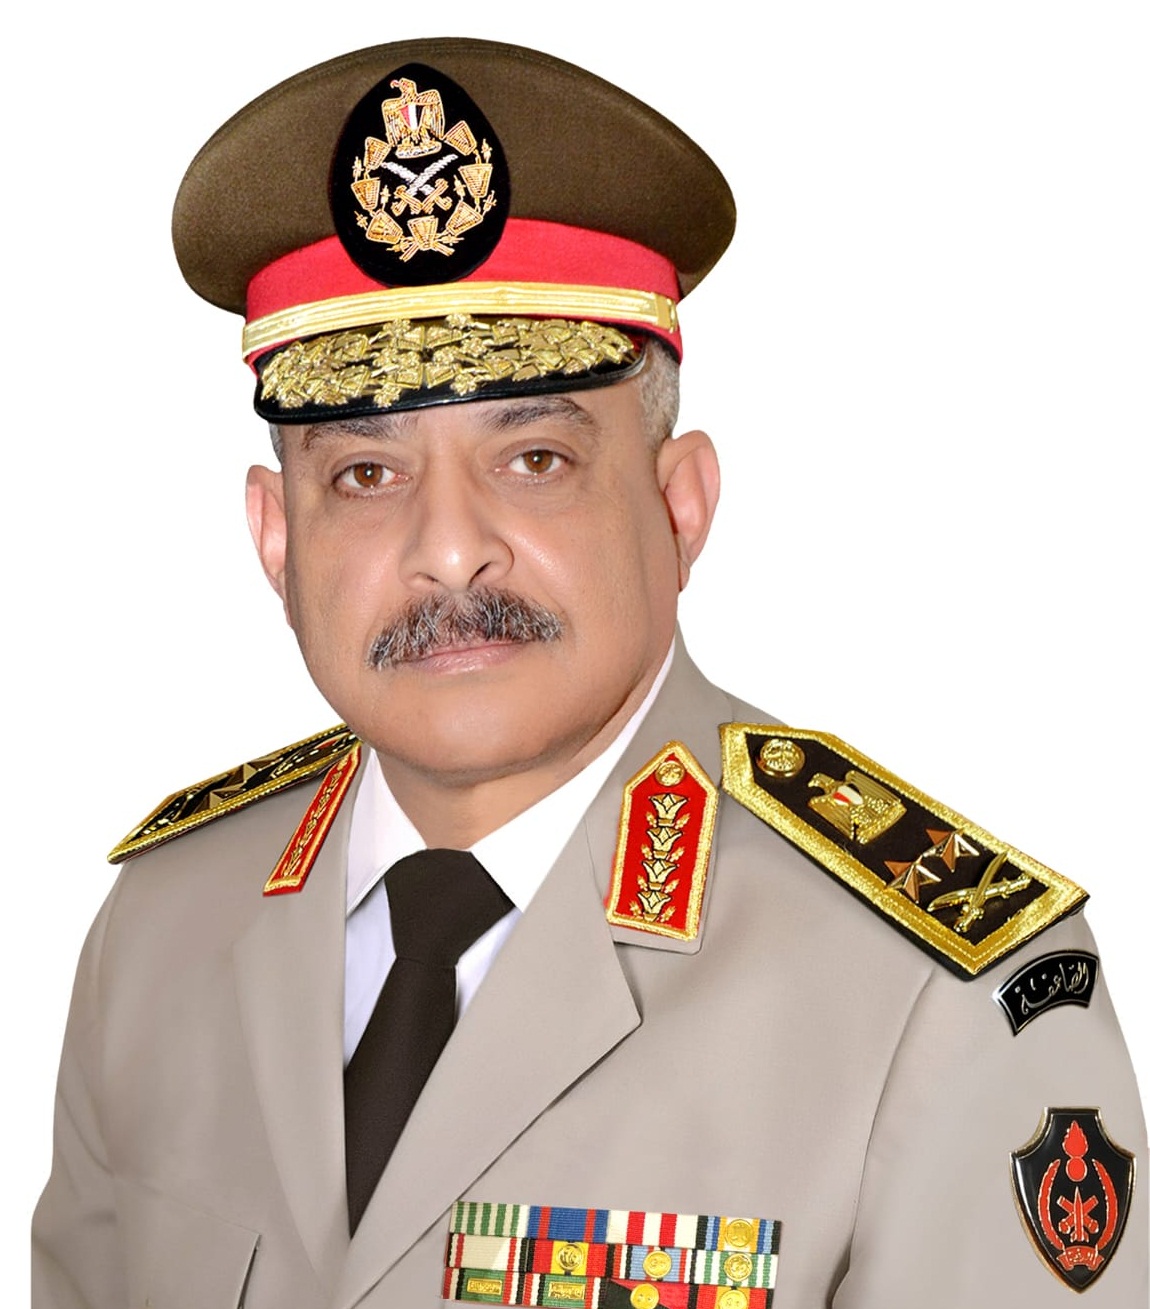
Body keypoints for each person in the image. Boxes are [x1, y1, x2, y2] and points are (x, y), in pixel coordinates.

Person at [32, 37, 1146, 1309]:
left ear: (680, 506)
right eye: (365, 473)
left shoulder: (934, 994)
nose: (450, 547)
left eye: (535, 461)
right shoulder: (161, 931)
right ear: (275, 539)